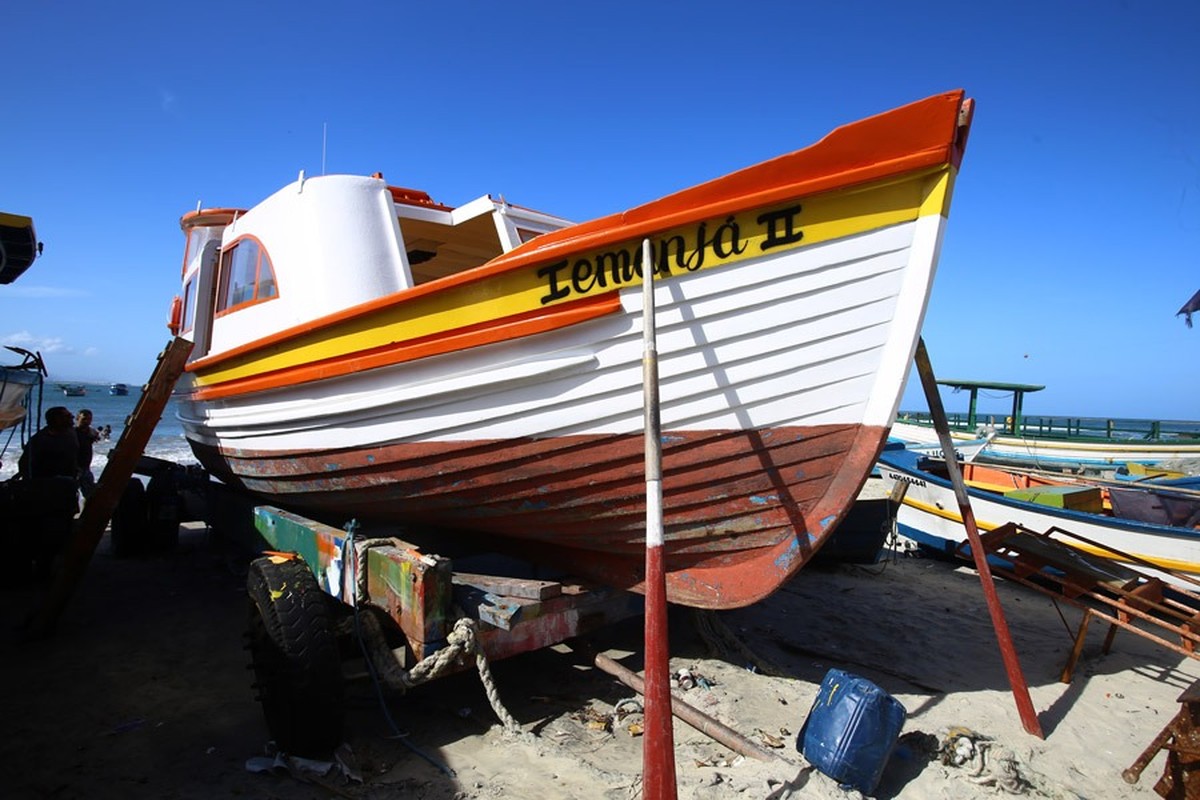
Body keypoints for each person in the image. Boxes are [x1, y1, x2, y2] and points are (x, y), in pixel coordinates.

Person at [16, 406, 79, 579]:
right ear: (56, 419)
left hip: (65, 491)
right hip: (45, 494)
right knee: (42, 533)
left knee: (62, 531)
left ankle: (52, 566)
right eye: (67, 416)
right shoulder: (40, 440)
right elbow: (25, 466)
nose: (72, 418)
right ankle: (38, 569)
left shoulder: (70, 434)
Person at [75, 409, 102, 499]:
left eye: (89, 419)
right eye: (84, 419)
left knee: (91, 495)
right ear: (77, 418)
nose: (87, 422)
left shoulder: (89, 432)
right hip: (75, 468)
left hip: (86, 467)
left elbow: (95, 438)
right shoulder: (73, 433)